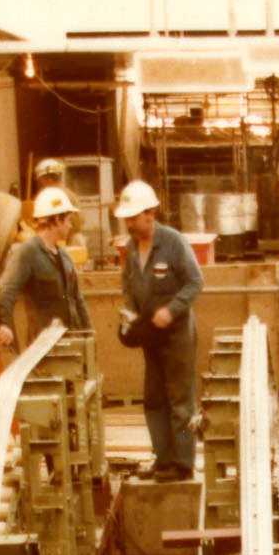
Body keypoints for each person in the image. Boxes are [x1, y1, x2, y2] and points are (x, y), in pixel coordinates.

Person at [116, 179, 204, 480]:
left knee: (180, 398)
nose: (128, 223)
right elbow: (128, 285)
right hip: (150, 334)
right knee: (154, 397)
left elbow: (195, 282)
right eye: (126, 218)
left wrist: (172, 310)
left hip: (177, 334)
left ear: (150, 214)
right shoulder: (130, 247)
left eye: (133, 217)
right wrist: (129, 316)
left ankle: (183, 463)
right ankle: (163, 458)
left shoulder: (173, 242)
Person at [0, 185, 90, 352]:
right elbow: (5, 290)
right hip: (42, 350)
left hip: (72, 345)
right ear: (57, 220)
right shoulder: (27, 253)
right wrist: (4, 324)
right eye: (68, 220)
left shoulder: (65, 258)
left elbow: (78, 300)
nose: (70, 226)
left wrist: (88, 335)